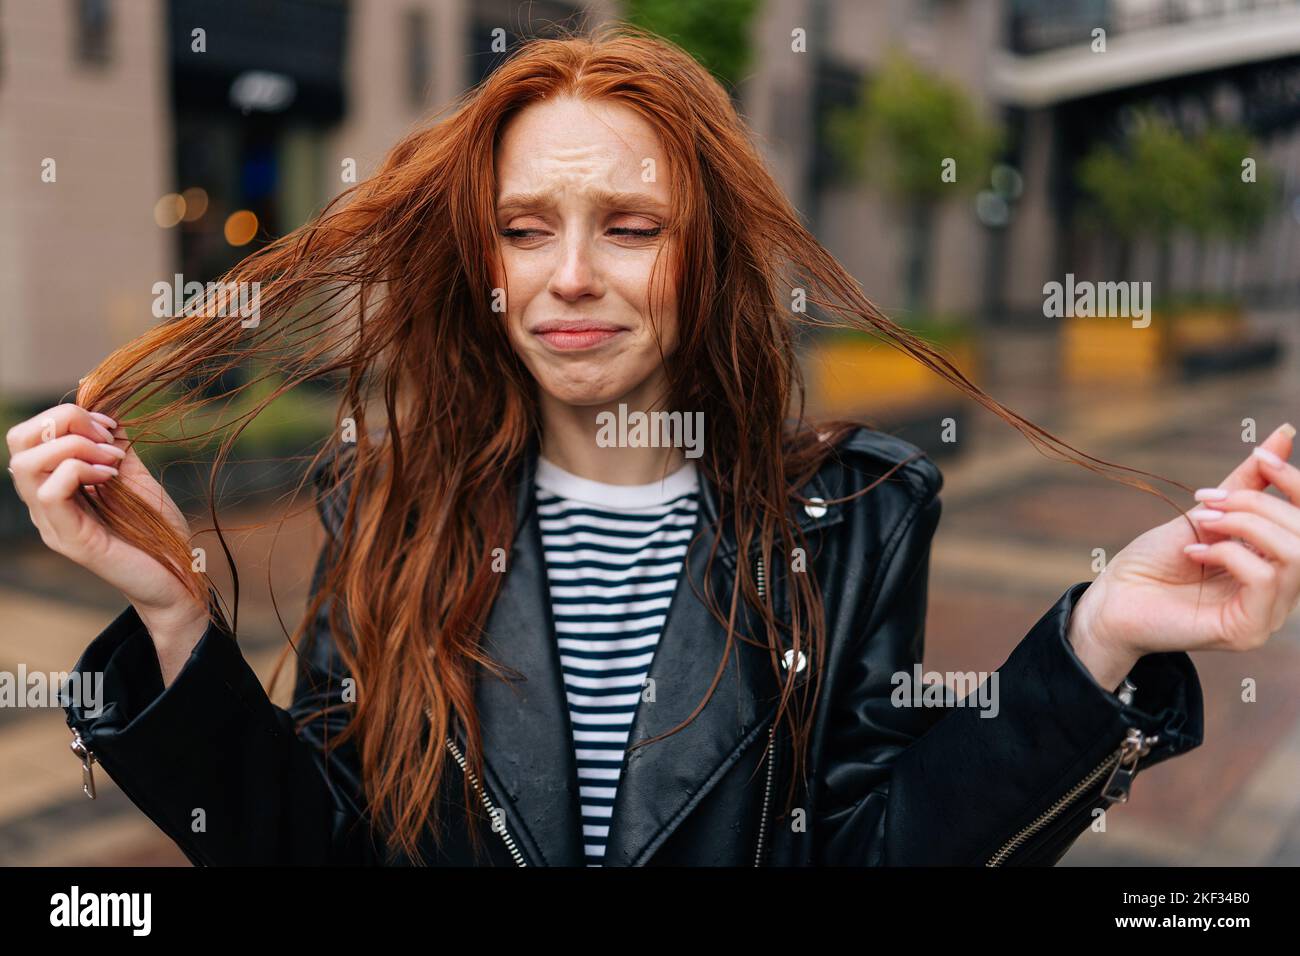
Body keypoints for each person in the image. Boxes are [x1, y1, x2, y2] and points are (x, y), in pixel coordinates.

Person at [7, 25, 1298, 866]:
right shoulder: (388, 508)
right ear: (487, 265)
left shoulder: (858, 519)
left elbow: (877, 852)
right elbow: (316, 849)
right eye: (523, 230)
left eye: (628, 226)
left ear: (704, 254)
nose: (569, 276)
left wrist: (1099, 642)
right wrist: (178, 623)